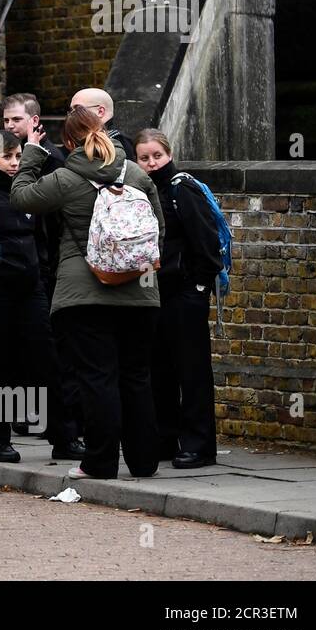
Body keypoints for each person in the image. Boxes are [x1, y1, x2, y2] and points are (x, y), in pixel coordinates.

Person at [10, 107, 164, 480]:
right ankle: (144, 461)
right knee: (137, 376)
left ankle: (100, 462)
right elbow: (158, 227)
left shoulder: (66, 178)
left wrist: (32, 153)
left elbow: (21, 197)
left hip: (85, 294)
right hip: (140, 291)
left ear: (68, 142)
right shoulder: (136, 173)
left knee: (98, 377)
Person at [0, 130, 84, 463]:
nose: (14, 163)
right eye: (7, 156)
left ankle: (64, 436)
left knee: (46, 361)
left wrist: (42, 275)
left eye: (18, 156)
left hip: (30, 287)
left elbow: (44, 239)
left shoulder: (28, 193)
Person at [135, 128, 224, 470]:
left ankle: (199, 445)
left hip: (186, 293)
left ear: (169, 154)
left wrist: (199, 286)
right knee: (160, 369)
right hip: (155, 292)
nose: (152, 163)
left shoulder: (181, 189)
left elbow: (206, 242)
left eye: (157, 156)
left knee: (192, 371)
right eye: (144, 158)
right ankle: (166, 437)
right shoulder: (141, 192)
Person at [69, 87, 136, 161]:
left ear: (100, 111)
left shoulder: (118, 142)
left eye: (78, 109)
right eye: (71, 110)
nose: (72, 114)